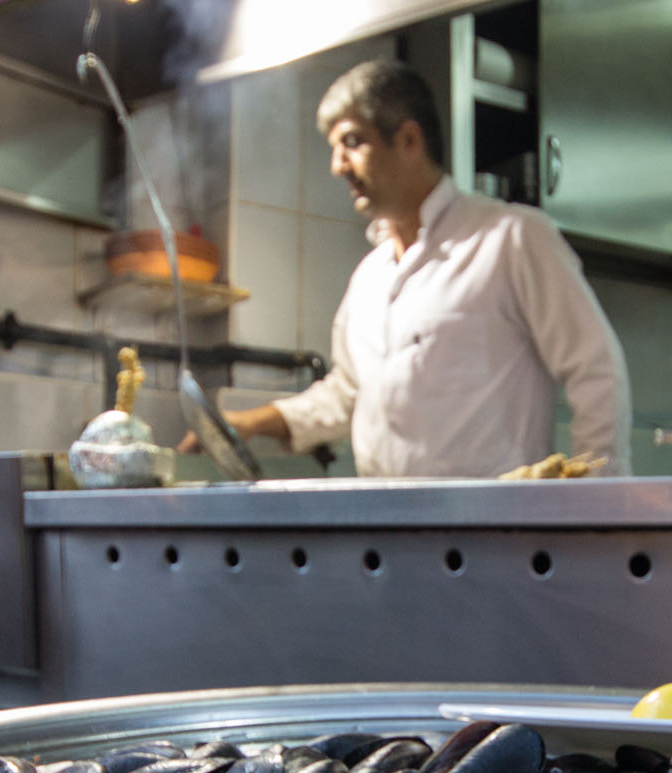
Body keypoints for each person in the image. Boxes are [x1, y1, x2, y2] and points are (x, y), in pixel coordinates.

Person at [183, 60, 631, 477]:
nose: (337, 166)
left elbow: (595, 369)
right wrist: (251, 423)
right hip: (386, 523)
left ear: (409, 140)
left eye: (352, 143)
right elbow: (347, 394)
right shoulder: (370, 277)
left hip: (495, 526)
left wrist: (596, 502)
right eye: (334, 149)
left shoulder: (511, 238)